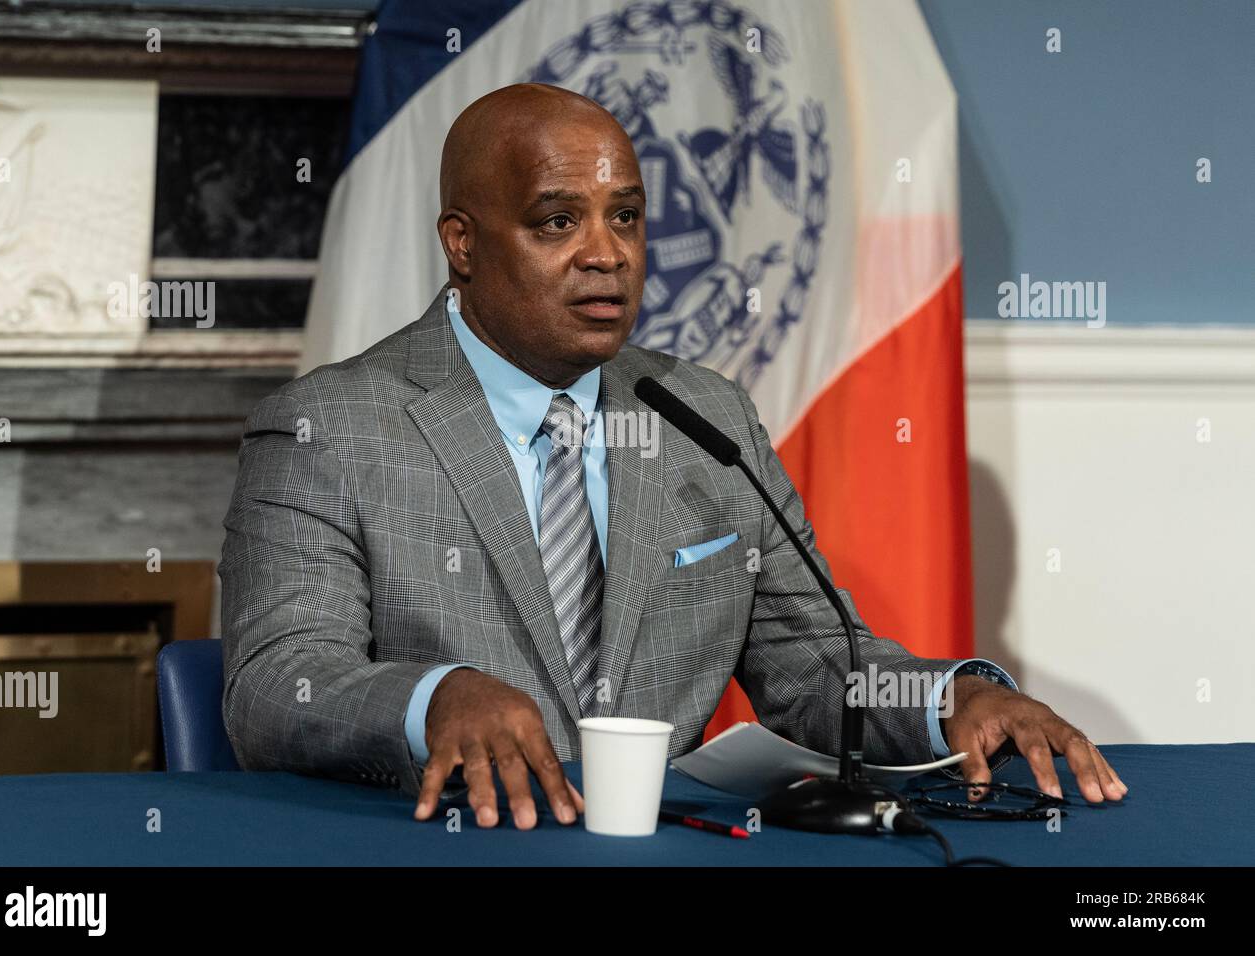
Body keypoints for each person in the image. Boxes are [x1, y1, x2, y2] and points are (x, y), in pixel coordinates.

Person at [219, 83, 1126, 832]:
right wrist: (436, 697)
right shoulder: (329, 428)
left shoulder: (703, 414)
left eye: (625, 217)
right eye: (556, 223)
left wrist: (949, 700)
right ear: (463, 243)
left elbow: (813, 662)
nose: (606, 255)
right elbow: (274, 685)